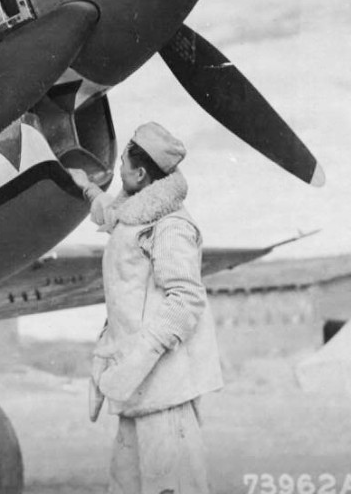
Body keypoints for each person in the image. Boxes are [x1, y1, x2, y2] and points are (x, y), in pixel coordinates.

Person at [69, 122, 222, 494]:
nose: (118, 170)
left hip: (163, 391)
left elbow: (185, 300)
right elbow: (113, 213)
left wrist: (138, 359)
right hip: (136, 389)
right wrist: (86, 187)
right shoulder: (136, 212)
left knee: (173, 485)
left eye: (122, 163)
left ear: (139, 174)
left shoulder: (170, 227)